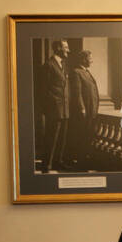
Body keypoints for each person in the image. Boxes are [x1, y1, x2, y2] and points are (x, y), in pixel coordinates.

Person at [69, 49, 100, 169]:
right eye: (90, 59)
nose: (92, 61)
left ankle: (85, 161)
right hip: (84, 112)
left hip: (92, 111)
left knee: (89, 136)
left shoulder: (87, 72)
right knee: (82, 137)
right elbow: (77, 93)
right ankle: (81, 163)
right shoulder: (76, 72)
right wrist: (82, 108)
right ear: (83, 59)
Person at [43, 40, 70, 171]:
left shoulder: (63, 64)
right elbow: (43, 89)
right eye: (66, 47)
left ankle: (57, 162)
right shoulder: (49, 65)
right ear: (58, 48)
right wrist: (49, 107)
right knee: (51, 137)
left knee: (62, 138)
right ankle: (46, 164)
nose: (68, 50)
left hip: (64, 109)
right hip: (54, 109)